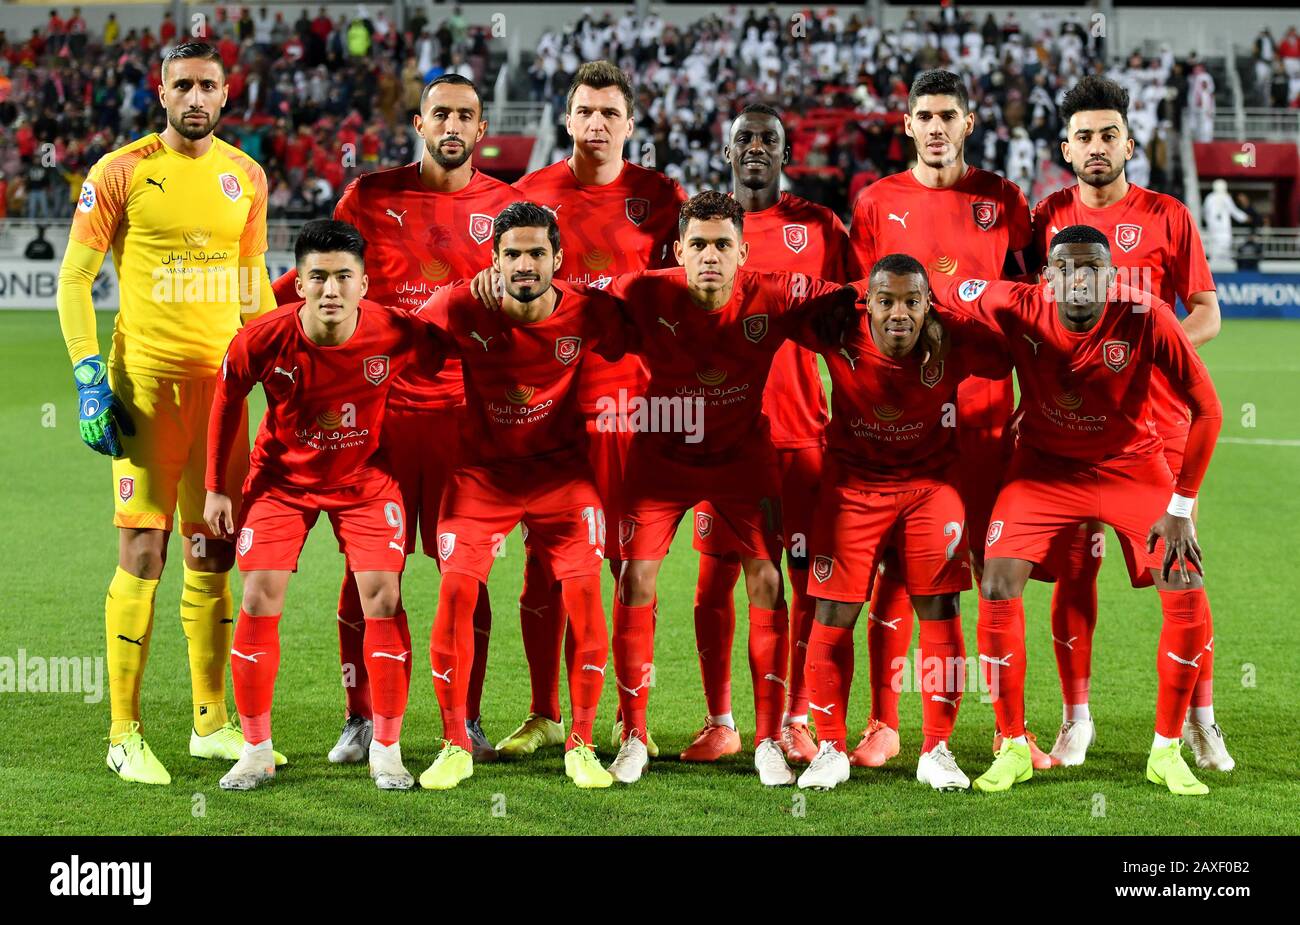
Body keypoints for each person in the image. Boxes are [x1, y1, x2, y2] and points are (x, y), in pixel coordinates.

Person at [271, 74, 518, 765]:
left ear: (479, 127)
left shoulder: (504, 206)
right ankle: (361, 718)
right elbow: (318, 273)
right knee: (365, 574)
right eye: (440, 112)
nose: (452, 124)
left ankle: (464, 720)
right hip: (375, 417)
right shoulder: (370, 194)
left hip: (465, 423)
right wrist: (256, 319)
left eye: (465, 115)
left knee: (464, 575)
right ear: (418, 121)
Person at [932, 225, 1223, 796]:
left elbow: (1208, 410)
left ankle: (1167, 750)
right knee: (995, 583)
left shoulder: (1148, 316)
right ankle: (1013, 743)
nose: (1080, 278)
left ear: (1113, 276)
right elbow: (947, 292)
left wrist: (1181, 505)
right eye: (1066, 267)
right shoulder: (1011, 302)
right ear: (1048, 278)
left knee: (1185, 583)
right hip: (1043, 472)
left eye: (1093, 267)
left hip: (1132, 467)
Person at [56, 42, 278, 786]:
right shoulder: (119, 171)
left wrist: (285, 376)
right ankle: (123, 732)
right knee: (142, 554)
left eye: (207, 85)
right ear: (160, 90)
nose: (194, 95)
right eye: (181, 83)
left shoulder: (247, 176)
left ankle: (210, 724)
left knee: (214, 550)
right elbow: (75, 279)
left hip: (223, 397)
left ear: (225, 93)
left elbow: (255, 289)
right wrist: (89, 376)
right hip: (144, 394)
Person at [578, 191, 855, 786]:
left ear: (742, 252)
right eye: (697, 244)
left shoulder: (775, 291)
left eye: (722, 245)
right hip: (661, 451)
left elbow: (857, 298)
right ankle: (632, 734)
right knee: (635, 577)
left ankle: (767, 740)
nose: (709, 255)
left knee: (766, 577)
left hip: (740, 456)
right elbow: (571, 303)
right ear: (677, 250)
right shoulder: (643, 291)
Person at [1031, 75, 1231, 771]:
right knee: (1075, 571)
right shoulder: (1047, 216)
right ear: (1065, 146)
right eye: (1083, 135)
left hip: (1162, 428)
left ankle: (1202, 720)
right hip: (1077, 432)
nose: (1096, 146)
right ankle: (1074, 719)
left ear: (1128, 142)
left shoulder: (1168, 215)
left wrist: (1157, 344)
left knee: (1180, 572)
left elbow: (1207, 308)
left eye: (1108, 134)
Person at [847, 68, 1043, 770]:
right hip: (907, 419)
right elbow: (859, 307)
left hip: (988, 419)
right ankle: (882, 722)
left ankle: (1008, 731)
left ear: (969, 122)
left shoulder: (1004, 199)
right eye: (923, 116)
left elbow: (1032, 304)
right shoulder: (873, 202)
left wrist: (1032, 404)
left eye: (947, 115)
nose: (935, 127)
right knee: (896, 571)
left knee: (997, 571)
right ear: (905, 125)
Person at [206, 220, 443, 791]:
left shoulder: (394, 330)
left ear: (364, 283)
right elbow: (227, 398)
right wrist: (217, 485)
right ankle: (256, 749)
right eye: (318, 277)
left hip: (365, 479)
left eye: (343, 277)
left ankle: (386, 749)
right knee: (260, 592)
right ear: (300, 282)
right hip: (280, 479)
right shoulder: (263, 337)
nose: (330, 290)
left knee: (382, 595)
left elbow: (453, 361)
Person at [494, 60, 686, 760]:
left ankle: (629, 718)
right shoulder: (531, 195)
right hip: (543, 408)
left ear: (630, 123)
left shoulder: (661, 196)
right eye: (586, 111)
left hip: (630, 410)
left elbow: (683, 296)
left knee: (628, 561)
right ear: (568, 119)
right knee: (544, 563)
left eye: (611, 112)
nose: (598, 123)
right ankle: (546, 711)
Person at [416, 203, 627, 791]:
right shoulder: (460, 305)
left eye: (537, 253)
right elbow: (395, 339)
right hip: (481, 477)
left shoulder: (590, 310)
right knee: (456, 590)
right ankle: (454, 743)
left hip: (562, 477)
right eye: (513, 254)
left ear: (557, 260)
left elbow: (658, 320)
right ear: (495, 260)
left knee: (585, 593)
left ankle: (581, 743)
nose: (525, 264)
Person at [683, 102, 859, 766]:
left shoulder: (818, 226)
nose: (755, 147)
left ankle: (792, 718)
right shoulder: (706, 228)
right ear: (728, 151)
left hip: (802, 434)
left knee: (804, 580)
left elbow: (851, 326)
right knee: (712, 582)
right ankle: (720, 718)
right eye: (743, 139)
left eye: (768, 140)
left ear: (787, 154)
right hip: (723, 440)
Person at [797, 253, 1010, 792]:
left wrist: (958, 316)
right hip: (850, 487)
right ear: (866, 301)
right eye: (885, 301)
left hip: (930, 488)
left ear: (927, 304)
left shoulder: (950, 338)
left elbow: (1006, 358)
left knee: (941, 607)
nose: (899, 314)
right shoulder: (838, 326)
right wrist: (838, 294)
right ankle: (830, 747)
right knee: (834, 610)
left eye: (912, 302)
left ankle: (937, 749)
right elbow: (774, 317)